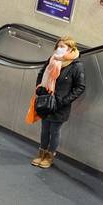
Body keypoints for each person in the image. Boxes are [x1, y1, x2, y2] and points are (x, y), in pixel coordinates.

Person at [27, 36, 85, 169]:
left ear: (70, 49)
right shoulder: (52, 59)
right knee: (45, 129)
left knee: (55, 131)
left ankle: (49, 156)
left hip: (60, 105)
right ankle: (41, 153)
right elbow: (41, 73)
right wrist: (39, 89)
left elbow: (80, 87)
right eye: (58, 46)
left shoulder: (76, 66)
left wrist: (64, 101)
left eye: (63, 47)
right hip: (46, 101)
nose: (59, 49)